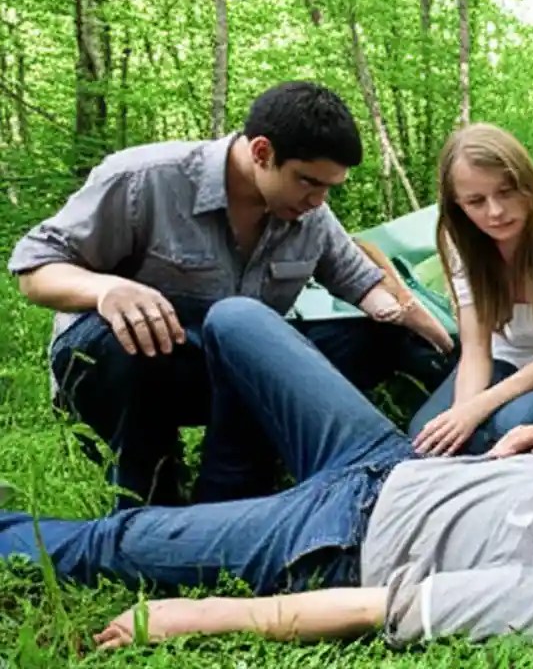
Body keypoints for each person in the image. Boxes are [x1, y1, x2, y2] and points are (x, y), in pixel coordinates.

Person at [0, 297, 533, 651]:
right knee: (236, 319)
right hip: (382, 461)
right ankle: (231, 484)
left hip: (332, 536)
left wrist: (195, 617)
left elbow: (373, 607)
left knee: (116, 542)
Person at [7, 81, 455, 509]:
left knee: (371, 339)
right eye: (307, 182)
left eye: (327, 188)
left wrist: (427, 328)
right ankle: (148, 487)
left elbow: (361, 280)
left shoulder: (309, 213)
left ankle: (237, 490)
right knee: (127, 339)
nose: (318, 200)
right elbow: (32, 267)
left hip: (231, 369)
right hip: (134, 362)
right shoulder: (146, 179)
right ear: (262, 152)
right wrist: (105, 288)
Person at [408, 123, 533, 456]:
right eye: (476, 201)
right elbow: (475, 352)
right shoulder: (460, 246)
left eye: (506, 191)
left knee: (510, 427)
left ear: (528, 183)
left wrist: (476, 411)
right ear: (458, 206)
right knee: (428, 438)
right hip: (500, 363)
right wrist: (461, 415)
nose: (496, 212)